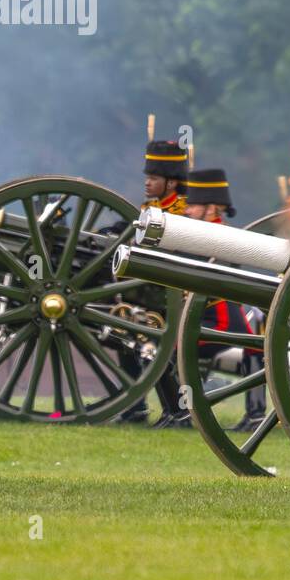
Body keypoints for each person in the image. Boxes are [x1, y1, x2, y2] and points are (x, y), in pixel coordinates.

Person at [186, 168, 267, 433]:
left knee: (174, 346)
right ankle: (181, 412)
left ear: (211, 209)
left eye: (193, 205)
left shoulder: (223, 236)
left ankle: (254, 415)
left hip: (220, 324)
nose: (187, 210)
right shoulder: (198, 232)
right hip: (204, 320)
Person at [118, 138, 189, 425]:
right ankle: (136, 408)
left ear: (171, 184)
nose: (147, 183)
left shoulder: (182, 211)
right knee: (123, 335)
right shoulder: (151, 207)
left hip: (175, 293)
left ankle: (179, 411)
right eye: (147, 177)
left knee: (150, 341)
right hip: (149, 291)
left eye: (154, 178)